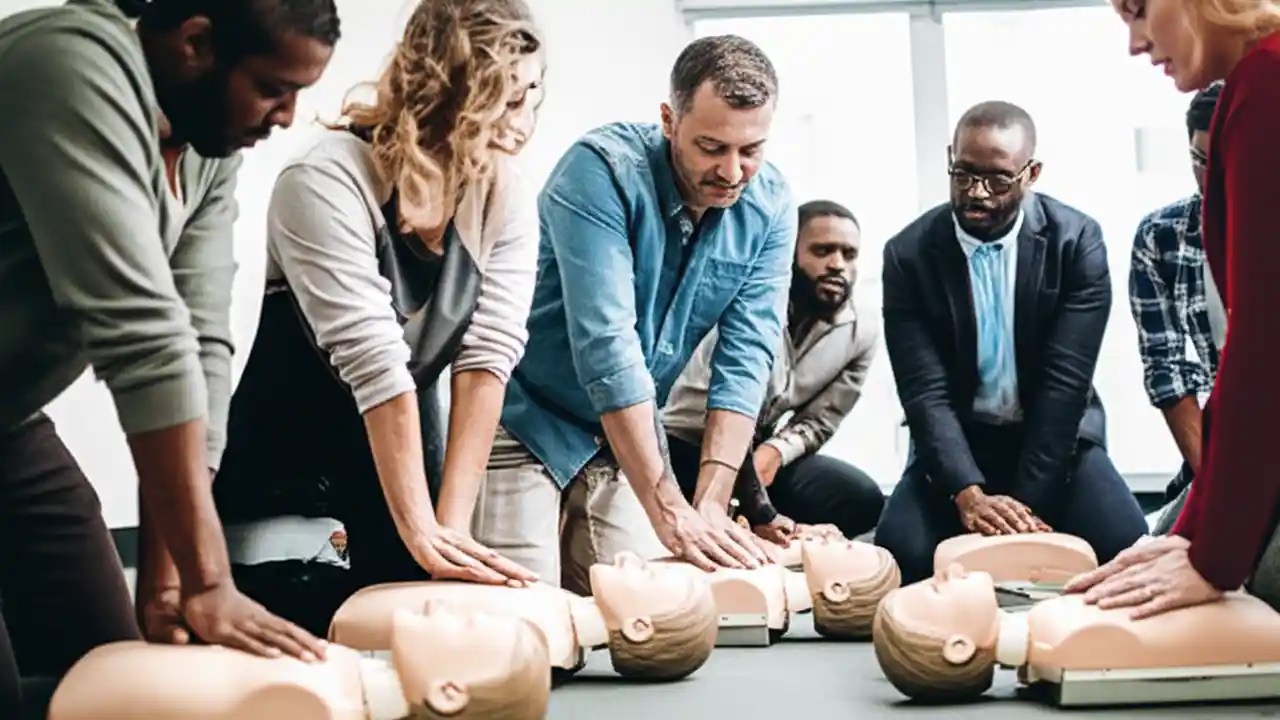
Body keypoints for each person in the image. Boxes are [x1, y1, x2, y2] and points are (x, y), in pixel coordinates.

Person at [0, 0, 338, 711]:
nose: (287, 116)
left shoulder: (208, 145)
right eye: (273, 88)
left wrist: (169, 582)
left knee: (119, 671)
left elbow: (199, 339)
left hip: (9, 420)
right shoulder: (68, 66)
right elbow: (141, 335)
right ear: (196, 43)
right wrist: (210, 579)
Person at [211, 0, 545, 637]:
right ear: (445, 93)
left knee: (429, 634)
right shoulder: (324, 178)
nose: (523, 124)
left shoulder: (504, 195)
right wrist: (419, 531)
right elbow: (376, 364)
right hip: (289, 485)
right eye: (504, 102)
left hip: (402, 469)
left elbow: (486, 360)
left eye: (532, 94)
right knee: (322, 649)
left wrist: (447, 534)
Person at [479, 34, 796, 594]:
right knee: (524, 610)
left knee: (646, 608)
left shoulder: (769, 204)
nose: (732, 172)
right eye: (711, 147)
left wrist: (710, 503)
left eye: (750, 150)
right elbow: (608, 347)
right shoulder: (599, 171)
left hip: (628, 438)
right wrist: (668, 506)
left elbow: (746, 358)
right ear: (669, 121)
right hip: (526, 419)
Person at [873, 101, 1148, 583]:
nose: (976, 193)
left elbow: (1065, 387)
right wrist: (969, 495)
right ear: (950, 159)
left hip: (1055, 441)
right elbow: (924, 392)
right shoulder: (908, 255)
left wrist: (1020, 513)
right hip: (957, 445)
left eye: (998, 180)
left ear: (1031, 173)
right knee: (901, 554)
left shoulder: (1076, 241)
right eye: (963, 174)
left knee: (1124, 544)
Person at [1066, 0, 1280, 619]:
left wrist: (1215, 558)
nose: (1135, 42)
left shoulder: (1267, 86)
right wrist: (1192, 534)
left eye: (1139, 11)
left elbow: (1264, 344)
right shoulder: (1253, 83)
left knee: (1260, 587)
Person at [663, 199, 884, 541]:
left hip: (758, 450)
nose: (837, 264)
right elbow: (722, 410)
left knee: (860, 497)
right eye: (822, 251)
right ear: (790, 253)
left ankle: (767, 532)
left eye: (849, 254)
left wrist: (776, 452)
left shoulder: (863, 330)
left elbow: (820, 420)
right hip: (684, 444)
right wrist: (760, 506)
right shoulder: (744, 305)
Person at [1128, 81, 1226, 533]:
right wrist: (1217, 487)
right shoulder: (1161, 236)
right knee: (1152, 550)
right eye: (1198, 160)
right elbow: (1166, 370)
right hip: (1224, 443)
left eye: (1224, 161)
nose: (1210, 177)